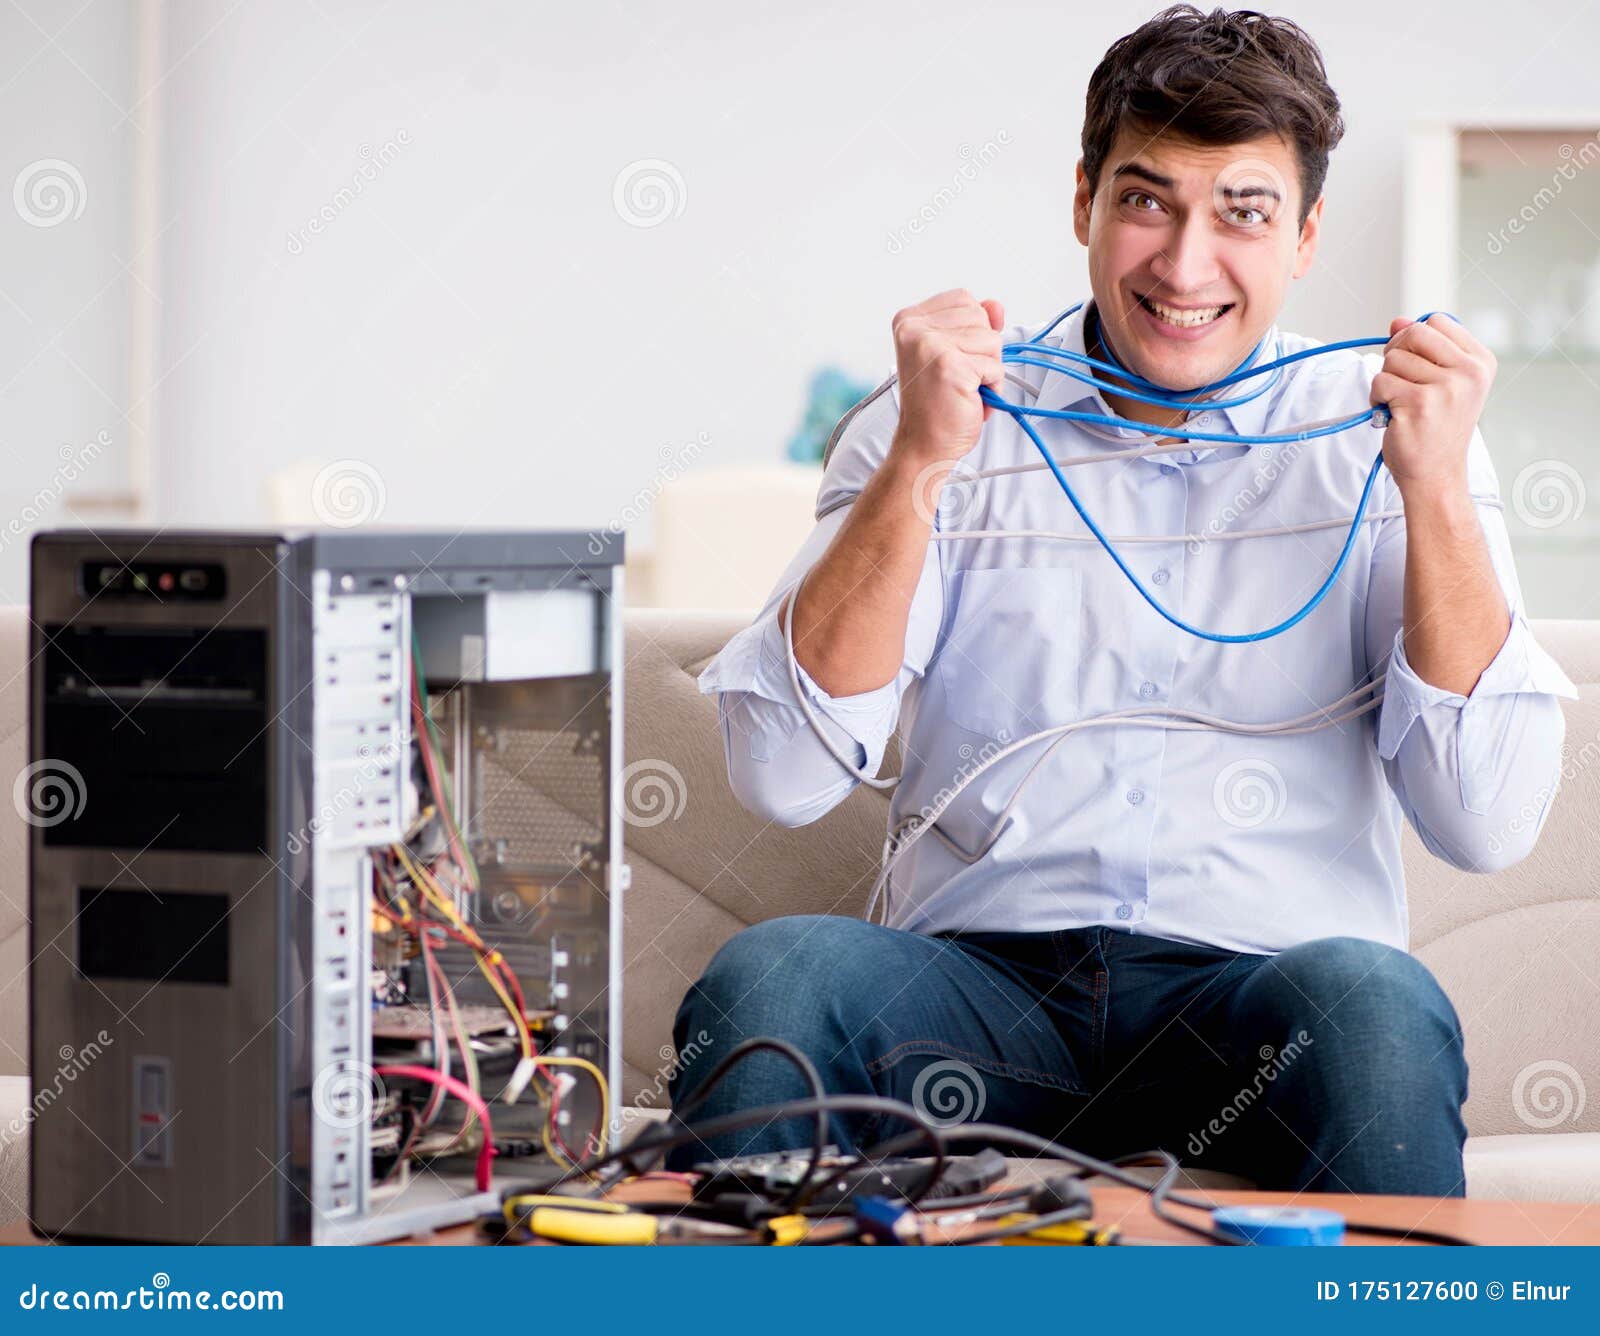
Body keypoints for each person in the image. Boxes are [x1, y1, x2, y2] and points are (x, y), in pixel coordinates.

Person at [668, 5, 1577, 1194]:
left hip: (1259, 1012)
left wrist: (1436, 490)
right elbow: (782, 778)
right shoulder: (935, 418)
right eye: (1147, 201)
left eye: (1242, 213)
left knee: (1370, 1000)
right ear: (1084, 201)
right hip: (975, 1002)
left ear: (1304, 236)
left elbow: (1485, 824)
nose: (1184, 267)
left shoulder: (1395, 441)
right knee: (774, 977)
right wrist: (920, 464)